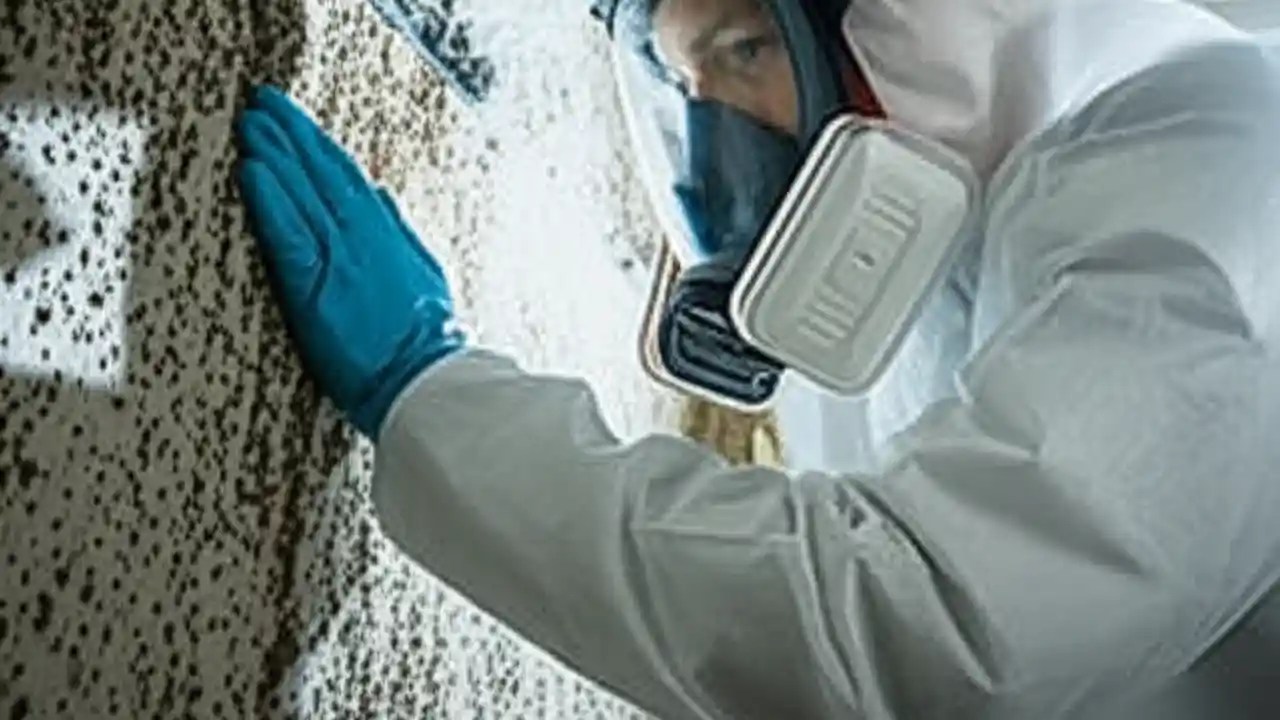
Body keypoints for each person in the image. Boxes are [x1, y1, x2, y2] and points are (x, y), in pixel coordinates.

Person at [234, 0, 1280, 717]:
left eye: (741, 51)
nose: (712, 142)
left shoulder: (1213, 155)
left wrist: (434, 399)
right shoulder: (944, 262)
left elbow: (927, 639)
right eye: (680, 84)